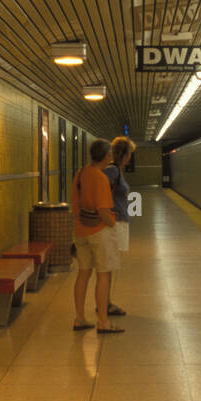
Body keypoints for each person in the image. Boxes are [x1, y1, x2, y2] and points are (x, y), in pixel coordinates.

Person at [71, 138, 122, 334]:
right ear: (106, 156)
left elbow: (75, 204)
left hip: (80, 230)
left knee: (83, 273)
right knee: (103, 275)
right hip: (98, 232)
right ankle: (103, 321)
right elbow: (103, 211)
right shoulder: (101, 178)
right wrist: (111, 222)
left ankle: (79, 318)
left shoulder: (80, 173)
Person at [102, 136, 135, 317]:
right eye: (129, 153)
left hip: (118, 222)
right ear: (123, 154)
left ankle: (106, 302)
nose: (130, 157)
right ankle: (104, 304)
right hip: (113, 223)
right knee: (108, 265)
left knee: (111, 265)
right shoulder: (112, 171)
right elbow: (99, 189)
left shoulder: (118, 171)